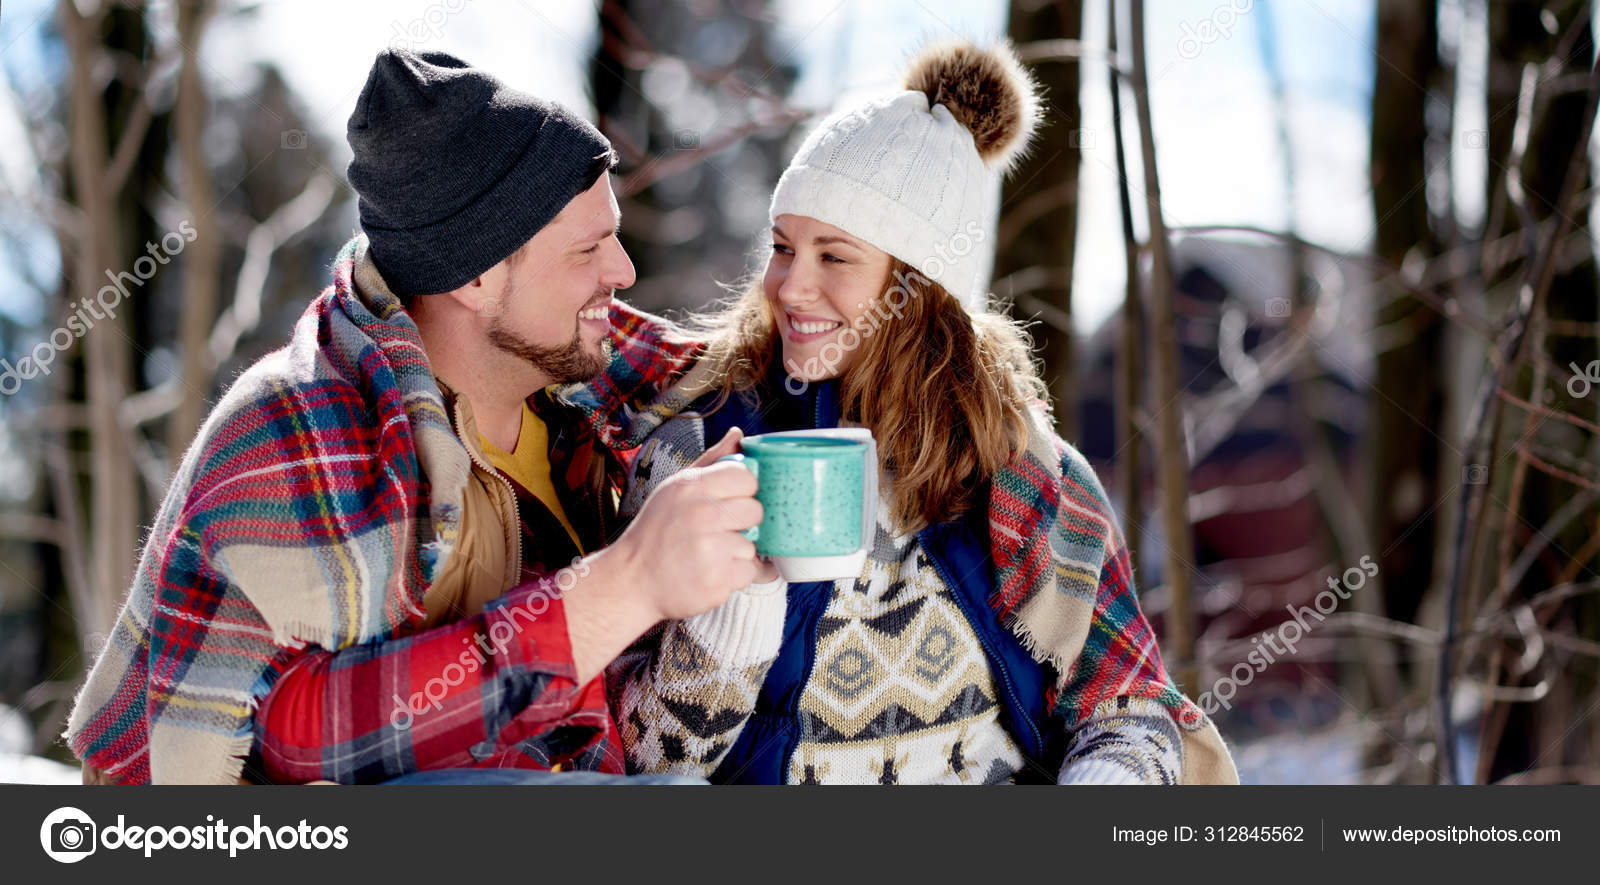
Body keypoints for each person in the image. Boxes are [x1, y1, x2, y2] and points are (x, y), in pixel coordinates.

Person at [64, 49, 770, 785]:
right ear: (476, 274)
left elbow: (756, 364)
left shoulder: (584, 386)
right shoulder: (298, 425)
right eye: (588, 249)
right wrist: (623, 585)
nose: (622, 272)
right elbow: (287, 735)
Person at [609, 41, 1238, 784]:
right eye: (783, 247)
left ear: (921, 289)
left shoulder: (1030, 478)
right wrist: (732, 616)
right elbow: (636, 761)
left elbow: (1128, 705)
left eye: (833, 257)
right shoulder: (699, 446)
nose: (789, 286)